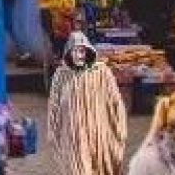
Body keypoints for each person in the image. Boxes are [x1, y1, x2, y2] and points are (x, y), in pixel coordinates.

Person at [42, 31, 126, 175]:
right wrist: (53, 130)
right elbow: (54, 105)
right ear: (69, 52)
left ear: (87, 51)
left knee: (101, 167)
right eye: (75, 51)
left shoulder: (101, 71)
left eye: (81, 50)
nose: (79, 55)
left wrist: (119, 127)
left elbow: (115, 100)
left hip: (99, 132)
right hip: (74, 135)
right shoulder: (61, 75)